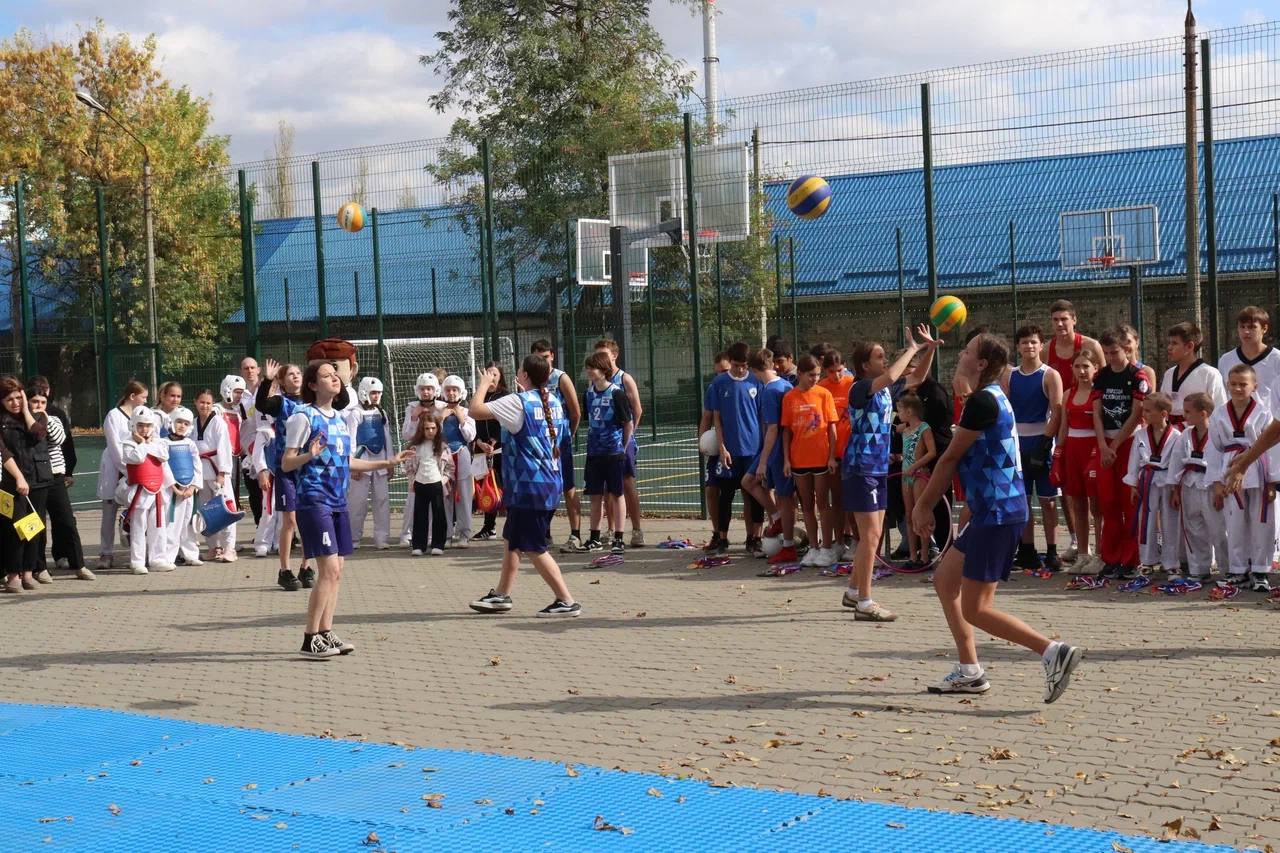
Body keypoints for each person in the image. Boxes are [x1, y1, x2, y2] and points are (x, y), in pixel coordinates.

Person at [912, 332, 1082, 702]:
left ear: (982, 363)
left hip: (999, 513)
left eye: (969, 350)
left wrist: (922, 504)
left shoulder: (983, 403)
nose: (962, 353)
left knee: (977, 608)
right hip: (991, 509)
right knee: (945, 581)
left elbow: (951, 458)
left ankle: (1053, 651)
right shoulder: (989, 398)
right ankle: (970, 671)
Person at [284, 361, 412, 659]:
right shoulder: (303, 417)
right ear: (313, 385)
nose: (334, 379)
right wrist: (308, 454)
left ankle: (326, 632)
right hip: (314, 502)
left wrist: (387, 463)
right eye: (326, 376)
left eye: (335, 374)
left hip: (338, 501)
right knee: (328, 570)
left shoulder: (341, 420)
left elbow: (347, 462)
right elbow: (287, 463)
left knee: (338, 571)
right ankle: (309, 638)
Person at [467, 356, 582, 617]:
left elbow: (475, 410)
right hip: (548, 482)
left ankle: (566, 600)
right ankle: (501, 595)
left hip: (530, 486)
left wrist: (484, 383)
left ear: (526, 376)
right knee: (512, 539)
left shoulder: (518, 402)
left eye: (520, 369)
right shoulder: (552, 401)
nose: (516, 372)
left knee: (532, 546)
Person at [840, 327, 925, 621]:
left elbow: (918, 378)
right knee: (872, 535)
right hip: (861, 467)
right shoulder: (859, 388)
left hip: (877, 468)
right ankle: (865, 602)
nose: (885, 359)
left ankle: (853, 591)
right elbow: (891, 376)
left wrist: (929, 348)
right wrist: (911, 350)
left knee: (872, 536)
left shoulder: (886, 392)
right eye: (879, 356)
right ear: (865, 365)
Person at [1005, 324, 1064, 571]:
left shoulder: (1050, 375)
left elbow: (1058, 411)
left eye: (1033, 342)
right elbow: (1006, 410)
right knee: (1023, 500)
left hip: (1042, 442)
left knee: (1049, 501)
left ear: (1042, 345)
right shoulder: (1010, 375)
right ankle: (1027, 549)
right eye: (1024, 342)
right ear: (1017, 347)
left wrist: (1044, 443)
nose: (1029, 346)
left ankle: (1052, 551)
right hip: (1017, 444)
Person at [1211, 365, 1274, 592]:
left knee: (1261, 522)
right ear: (1227, 385)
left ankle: (1260, 570)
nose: (1237, 388)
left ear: (1254, 387)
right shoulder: (1218, 413)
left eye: (1243, 384)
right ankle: (1238, 570)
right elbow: (1214, 449)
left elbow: (1273, 447)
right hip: (1229, 468)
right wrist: (1216, 481)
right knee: (1234, 522)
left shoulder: (1264, 412)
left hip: (1258, 467)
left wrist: (1273, 482)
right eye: (1234, 383)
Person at [1092, 328, 1148, 580]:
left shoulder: (1138, 376)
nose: (1111, 357)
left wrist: (1115, 446)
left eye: (1114, 352)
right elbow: (1096, 412)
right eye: (1106, 353)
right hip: (1105, 443)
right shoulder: (1101, 376)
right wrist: (1103, 445)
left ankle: (1131, 558)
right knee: (1108, 501)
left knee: (1129, 501)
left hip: (1129, 442)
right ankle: (1111, 557)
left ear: (1126, 349)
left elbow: (1137, 413)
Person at [256, 360, 312, 590]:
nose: (296, 377)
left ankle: (306, 566)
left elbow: (342, 401)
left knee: (309, 518)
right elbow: (261, 404)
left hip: (308, 467)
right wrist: (267, 380)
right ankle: (285, 570)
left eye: (299, 373)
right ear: (282, 381)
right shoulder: (281, 403)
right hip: (287, 468)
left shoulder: (312, 402)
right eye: (290, 374)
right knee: (290, 520)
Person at [27, 379, 89, 581]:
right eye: (35, 402)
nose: (39, 406)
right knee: (37, 524)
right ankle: (39, 567)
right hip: (34, 478)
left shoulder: (53, 418)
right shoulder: (22, 422)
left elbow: (58, 440)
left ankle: (79, 564)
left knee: (66, 520)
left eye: (42, 402)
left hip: (55, 475)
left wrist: (44, 419)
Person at [705, 342, 764, 556]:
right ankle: (722, 539)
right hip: (730, 451)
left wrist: (763, 450)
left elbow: (761, 417)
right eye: (737, 365)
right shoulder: (719, 383)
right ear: (730, 361)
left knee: (754, 496)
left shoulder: (756, 381)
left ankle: (754, 538)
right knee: (725, 495)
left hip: (753, 450)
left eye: (744, 365)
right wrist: (722, 447)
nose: (741, 369)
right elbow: (717, 419)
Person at [781, 354, 838, 568]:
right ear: (800, 374)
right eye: (811, 375)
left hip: (821, 458)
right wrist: (787, 459)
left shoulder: (824, 394)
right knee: (807, 505)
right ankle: (813, 547)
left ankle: (827, 548)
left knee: (823, 503)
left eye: (817, 375)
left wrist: (831, 456)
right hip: (798, 461)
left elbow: (832, 428)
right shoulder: (790, 397)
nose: (815, 378)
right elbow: (786, 431)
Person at [530, 341, 585, 553]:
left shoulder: (561, 378)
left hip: (559, 441)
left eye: (545, 357)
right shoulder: (532, 380)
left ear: (552, 356)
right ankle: (544, 532)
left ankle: (575, 534)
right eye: (537, 357)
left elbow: (576, 412)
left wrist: (566, 435)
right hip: (540, 443)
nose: (541, 361)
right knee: (543, 486)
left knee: (568, 487)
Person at [1054, 349, 1104, 575]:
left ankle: (1102, 554)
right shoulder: (1068, 394)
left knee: (1097, 505)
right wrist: (1059, 453)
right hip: (1072, 451)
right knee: (1078, 504)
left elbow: (1100, 426)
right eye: (1077, 367)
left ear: (1095, 368)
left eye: (1086, 366)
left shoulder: (1099, 394)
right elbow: (1064, 426)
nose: (1082, 371)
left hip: (1092, 450)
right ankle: (1084, 554)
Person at [0, 377, 51, 593]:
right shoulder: (1, 421)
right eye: (9, 399)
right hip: (12, 482)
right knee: (14, 529)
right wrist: (18, 477)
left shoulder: (37, 416)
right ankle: (13, 574)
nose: (15, 403)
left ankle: (29, 572)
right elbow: (4, 452)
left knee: (34, 528)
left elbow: (39, 435)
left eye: (18, 397)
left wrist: (27, 413)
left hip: (38, 480)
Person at [1122, 392, 1180, 575]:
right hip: (1146, 482)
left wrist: (1176, 488)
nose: (1144, 414)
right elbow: (1134, 460)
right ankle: (1147, 561)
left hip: (1168, 482)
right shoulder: (1140, 434)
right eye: (1143, 411)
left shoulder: (1177, 436)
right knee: (1145, 520)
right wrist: (1132, 485)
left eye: (1148, 411)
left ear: (1164, 414)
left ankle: (1171, 563)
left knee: (1170, 522)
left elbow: (1178, 463)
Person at [1168, 393, 1225, 582]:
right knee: (1193, 527)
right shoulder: (1185, 434)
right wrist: (1175, 489)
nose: (1184, 415)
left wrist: (1221, 487)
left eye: (1188, 412)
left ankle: (1228, 570)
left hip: (1212, 485)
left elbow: (1223, 461)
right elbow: (1176, 462)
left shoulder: (1218, 432)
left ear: (1203, 414)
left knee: (1219, 529)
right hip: (1189, 484)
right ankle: (1199, 568)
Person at [582, 351, 634, 554]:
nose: (589, 371)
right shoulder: (588, 393)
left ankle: (619, 537)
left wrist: (623, 444)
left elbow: (627, 422)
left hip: (614, 453)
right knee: (595, 496)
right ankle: (594, 536)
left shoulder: (616, 393)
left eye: (592, 367)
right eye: (587, 367)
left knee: (616, 494)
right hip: (594, 453)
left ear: (603, 370)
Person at [595, 339, 645, 546]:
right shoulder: (596, 380)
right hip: (603, 443)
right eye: (597, 355)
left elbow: (637, 409)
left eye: (604, 354)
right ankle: (611, 529)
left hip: (622, 441)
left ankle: (637, 530)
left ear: (614, 356)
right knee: (607, 487)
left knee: (627, 483)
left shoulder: (624, 379)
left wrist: (628, 436)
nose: (600, 359)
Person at [743, 349, 791, 558]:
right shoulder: (784, 384)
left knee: (783, 496)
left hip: (777, 450)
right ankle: (777, 518)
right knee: (748, 482)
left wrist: (763, 461)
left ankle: (786, 539)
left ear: (753, 370)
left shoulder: (772, 391)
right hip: (775, 448)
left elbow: (773, 428)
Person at [96, 380, 148, 570]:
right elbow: (115, 446)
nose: (145, 401)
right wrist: (127, 470)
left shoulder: (141, 415)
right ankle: (106, 553)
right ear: (132, 396)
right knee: (109, 512)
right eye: (143, 397)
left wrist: (137, 469)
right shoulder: (113, 416)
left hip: (136, 468)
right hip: (116, 467)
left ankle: (137, 554)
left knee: (138, 512)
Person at [119, 407, 171, 574]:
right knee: (138, 527)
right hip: (139, 491)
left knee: (158, 526)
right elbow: (136, 458)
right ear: (133, 425)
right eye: (141, 425)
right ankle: (137, 561)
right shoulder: (128, 444)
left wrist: (147, 444)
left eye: (148, 426)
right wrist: (142, 444)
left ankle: (158, 559)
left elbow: (163, 455)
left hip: (157, 490)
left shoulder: (159, 442)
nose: (145, 429)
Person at [346, 377, 394, 550]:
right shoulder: (355, 413)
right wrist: (353, 464)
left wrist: (390, 462)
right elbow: (350, 439)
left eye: (379, 393)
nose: (376, 396)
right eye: (373, 393)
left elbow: (387, 437)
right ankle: (353, 538)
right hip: (362, 458)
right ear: (364, 392)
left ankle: (382, 538)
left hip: (380, 457)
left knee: (382, 499)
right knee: (357, 501)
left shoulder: (382, 412)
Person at [400, 372, 444, 546]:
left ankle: (434, 538)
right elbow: (406, 434)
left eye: (429, 388)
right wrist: (413, 417)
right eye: (423, 388)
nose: (426, 392)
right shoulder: (412, 407)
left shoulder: (442, 406)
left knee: (438, 503)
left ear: (436, 390)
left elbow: (443, 433)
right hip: (417, 456)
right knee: (413, 500)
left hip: (435, 454)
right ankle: (407, 534)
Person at [192, 388, 236, 563]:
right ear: (195, 402)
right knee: (206, 512)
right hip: (200, 472)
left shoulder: (218, 422)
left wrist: (223, 473)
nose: (205, 406)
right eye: (202, 402)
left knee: (225, 510)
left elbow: (225, 448)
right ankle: (213, 547)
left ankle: (229, 548)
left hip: (217, 470)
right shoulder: (193, 423)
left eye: (208, 403)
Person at [818, 349, 855, 560]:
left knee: (853, 499)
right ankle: (839, 540)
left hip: (851, 451)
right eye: (832, 372)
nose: (837, 376)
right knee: (837, 499)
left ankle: (852, 538)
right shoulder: (821, 388)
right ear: (825, 371)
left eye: (839, 370)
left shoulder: (852, 383)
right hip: (832, 452)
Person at [157, 406, 204, 570]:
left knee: (188, 523)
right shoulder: (163, 443)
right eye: (179, 422)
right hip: (172, 491)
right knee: (172, 523)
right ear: (172, 422)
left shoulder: (190, 443)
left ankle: (191, 554)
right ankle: (168, 557)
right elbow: (164, 466)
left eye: (186, 423)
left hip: (189, 490)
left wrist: (193, 486)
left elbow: (197, 466)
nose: (182, 426)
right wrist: (174, 487)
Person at [896, 393, 936, 568]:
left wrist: (915, 466)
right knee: (909, 515)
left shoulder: (924, 427)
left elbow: (932, 452)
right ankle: (912, 556)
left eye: (900, 410)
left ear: (910, 411)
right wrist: (897, 458)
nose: (898, 414)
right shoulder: (905, 430)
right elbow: (905, 452)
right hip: (906, 476)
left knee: (921, 515)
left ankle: (925, 556)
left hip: (919, 475)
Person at [1160, 322, 1226, 426]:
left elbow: (1219, 411)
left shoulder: (1210, 374)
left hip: (1197, 435)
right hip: (1169, 435)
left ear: (1190, 346)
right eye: (1169, 343)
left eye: (1174, 343)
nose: (1169, 347)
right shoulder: (1169, 374)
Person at [473, 361, 509, 540]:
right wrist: (479, 441)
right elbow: (474, 421)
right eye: (488, 373)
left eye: (494, 374)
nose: (491, 377)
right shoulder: (480, 396)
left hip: (500, 451)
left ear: (501, 375)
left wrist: (495, 441)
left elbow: (507, 424)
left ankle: (513, 526)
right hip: (482, 450)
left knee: (503, 487)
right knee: (486, 488)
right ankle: (489, 527)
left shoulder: (505, 396)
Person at [1217, 306, 1280, 410]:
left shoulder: (1277, 359)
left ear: (1264, 329)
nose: (1246, 331)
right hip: (1234, 423)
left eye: (1252, 327)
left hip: (1269, 423)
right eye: (1242, 327)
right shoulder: (1226, 360)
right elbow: (1223, 395)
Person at [440, 375, 477, 546]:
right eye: (448, 390)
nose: (452, 393)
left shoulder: (468, 412)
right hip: (444, 455)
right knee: (445, 494)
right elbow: (431, 433)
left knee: (463, 494)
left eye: (455, 390)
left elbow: (470, 436)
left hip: (461, 452)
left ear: (461, 392)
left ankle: (464, 533)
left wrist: (461, 418)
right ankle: (446, 533)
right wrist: (441, 418)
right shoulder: (440, 411)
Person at [699, 352, 732, 546]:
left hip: (739, 446)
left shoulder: (744, 385)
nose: (721, 375)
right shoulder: (713, 388)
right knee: (711, 489)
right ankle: (717, 532)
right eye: (717, 372)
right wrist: (701, 441)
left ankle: (755, 536)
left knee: (748, 491)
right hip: (718, 447)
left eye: (725, 371)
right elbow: (707, 416)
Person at [409, 411, 452, 556]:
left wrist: (443, 480)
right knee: (419, 515)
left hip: (436, 483)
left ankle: (438, 544)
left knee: (439, 514)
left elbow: (450, 467)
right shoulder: (415, 447)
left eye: (433, 428)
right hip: (420, 482)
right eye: (427, 428)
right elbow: (409, 466)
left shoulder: (443, 446)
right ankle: (418, 545)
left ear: (438, 429)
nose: (430, 431)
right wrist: (412, 481)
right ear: (422, 429)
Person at [216, 374, 247, 552]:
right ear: (227, 389)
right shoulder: (216, 409)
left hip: (235, 459)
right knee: (220, 501)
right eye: (236, 391)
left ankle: (229, 541)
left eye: (241, 392)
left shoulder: (237, 411)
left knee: (232, 501)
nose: (239, 396)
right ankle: (220, 542)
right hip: (221, 461)